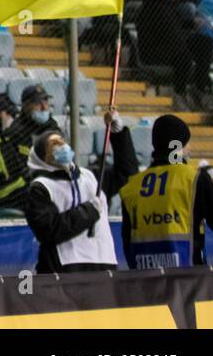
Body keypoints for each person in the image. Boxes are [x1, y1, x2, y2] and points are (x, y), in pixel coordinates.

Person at [24, 112, 136, 273]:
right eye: (53, 145)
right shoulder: (40, 188)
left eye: (61, 142)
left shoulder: (90, 176)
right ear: (43, 159)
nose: (60, 147)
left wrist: (118, 134)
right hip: (65, 268)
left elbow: (127, 173)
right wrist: (89, 211)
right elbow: (50, 230)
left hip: (103, 263)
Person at [120, 114, 213, 268]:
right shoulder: (194, 179)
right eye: (186, 143)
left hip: (145, 280)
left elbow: (127, 241)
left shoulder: (132, 187)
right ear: (177, 145)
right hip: (187, 279)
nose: (189, 148)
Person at [5, 84, 60, 159]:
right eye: (38, 104)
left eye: (46, 103)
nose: (44, 108)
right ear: (25, 105)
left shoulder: (51, 124)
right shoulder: (17, 130)